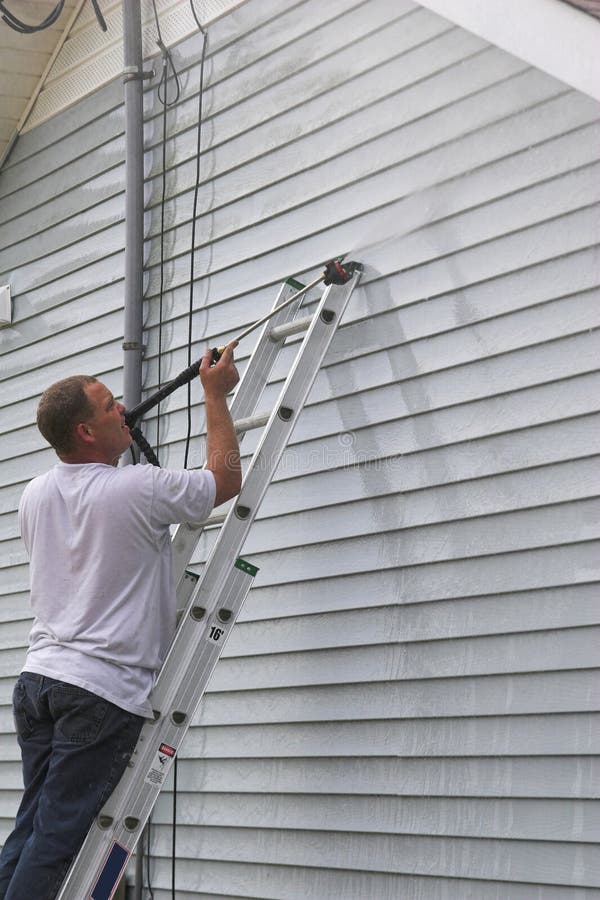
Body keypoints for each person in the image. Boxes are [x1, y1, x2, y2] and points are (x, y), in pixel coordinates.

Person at [0, 343, 241, 899]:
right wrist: (214, 395)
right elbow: (224, 481)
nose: (123, 409)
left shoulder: (35, 494)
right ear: (86, 432)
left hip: (39, 683)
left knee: (32, 829)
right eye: (110, 405)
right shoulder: (136, 488)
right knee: (56, 841)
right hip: (98, 692)